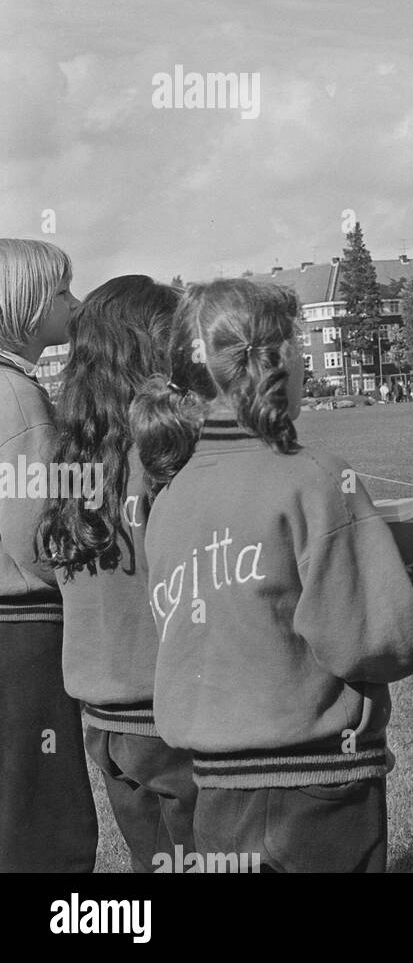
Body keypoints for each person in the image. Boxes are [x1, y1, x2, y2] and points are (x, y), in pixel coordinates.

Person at [134, 279, 413, 871]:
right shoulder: (316, 477)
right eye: (298, 345)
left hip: (216, 790)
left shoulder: (169, 493)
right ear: (275, 363)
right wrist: (412, 588)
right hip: (317, 781)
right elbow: (376, 640)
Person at [36, 275, 197, 872]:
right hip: (169, 708)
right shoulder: (161, 457)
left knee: (153, 860)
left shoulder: (67, 461)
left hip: (105, 716)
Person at [0, 238, 98, 872]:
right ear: (28, 307)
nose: (74, 303)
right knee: (41, 813)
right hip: (23, 629)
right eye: (62, 292)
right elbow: (36, 538)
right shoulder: (19, 398)